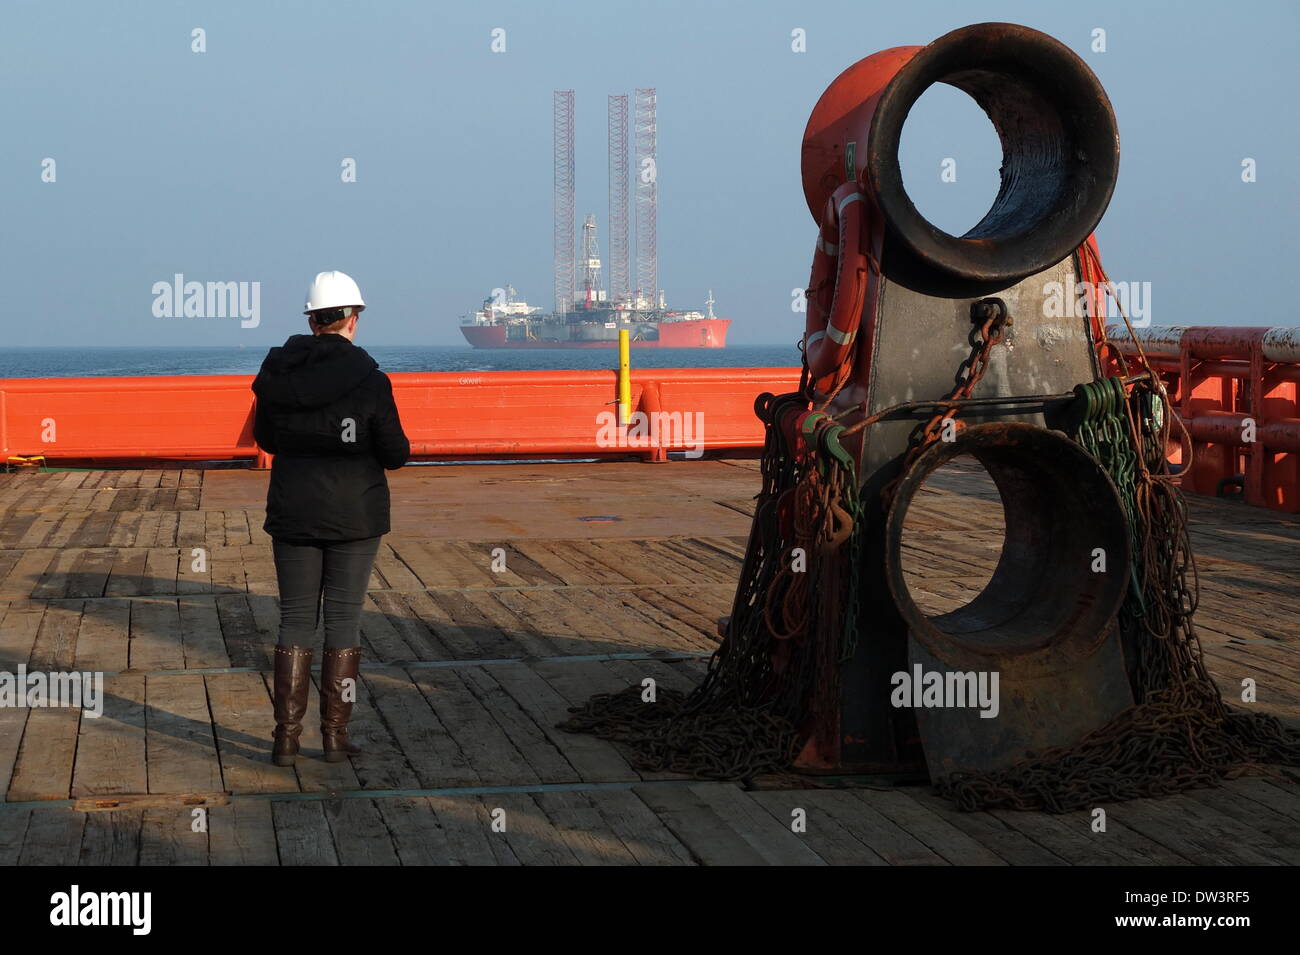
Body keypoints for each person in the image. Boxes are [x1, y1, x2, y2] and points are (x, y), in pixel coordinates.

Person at [252, 270, 410, 765]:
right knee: (343, 622)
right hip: (355, 516)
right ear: (352, 319)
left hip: (294, 510)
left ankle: (285, 738)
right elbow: (395, 454)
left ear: (312, 319)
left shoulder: (278, 375)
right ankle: (336, 738)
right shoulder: (372, 380)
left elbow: (268, 441)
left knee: (295, 620)